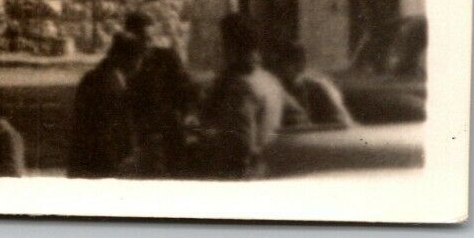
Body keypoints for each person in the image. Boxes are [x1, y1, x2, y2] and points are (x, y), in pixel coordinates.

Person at [196, 14, 294, 179]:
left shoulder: (241, 88)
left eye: (222, 43)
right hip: (266, 171)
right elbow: (298, 116)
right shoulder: (269, 81)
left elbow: (240, 145)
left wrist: (207, 137)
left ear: (231, 47)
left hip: (242, 177)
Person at [122, 11, 201, 176]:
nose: (147, 44)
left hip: (170, 130)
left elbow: (187, 88)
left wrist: (186, 114)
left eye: (150, 38)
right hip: (142, 134)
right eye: (143, 39)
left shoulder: (167, 58)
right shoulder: (123, 65)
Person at [66, 30, 146, 178]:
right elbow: (111, 130)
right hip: (100, 163)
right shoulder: (111, 84)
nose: (139, 65)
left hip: (85, 159)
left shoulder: (95, 77)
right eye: (138, 59)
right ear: (127, 58)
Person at [271, 40, 354, 128]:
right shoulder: (275, 88)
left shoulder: (316, 88)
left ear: (301, 65)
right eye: (278, 65)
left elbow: (340, 122)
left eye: (289, 64)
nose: (280, 70)